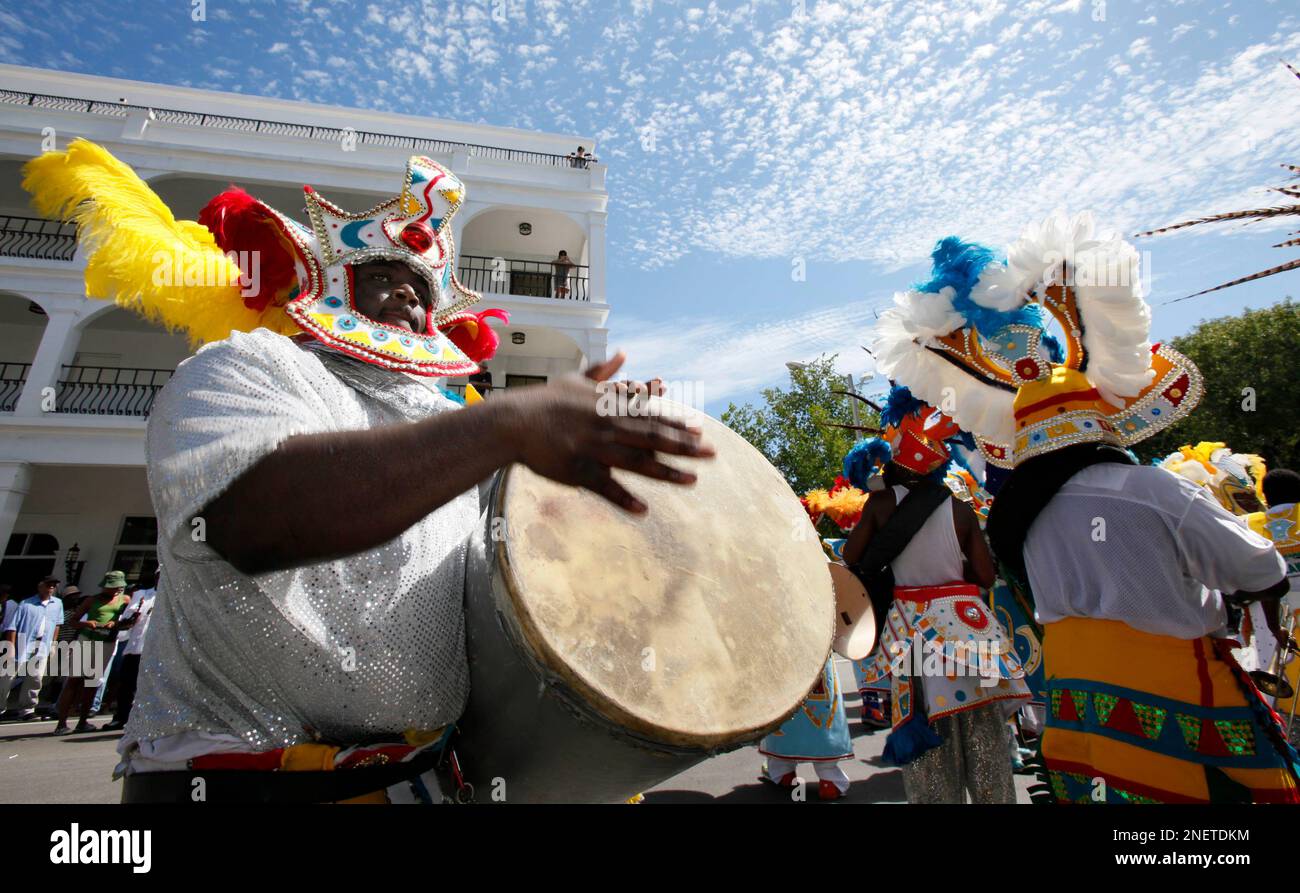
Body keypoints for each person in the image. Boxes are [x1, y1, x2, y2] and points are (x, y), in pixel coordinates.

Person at [24, 140, 711, 801]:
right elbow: (249, 518)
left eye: (420, 292)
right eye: (382, 278)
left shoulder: (454, 441)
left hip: (423, 779)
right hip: (231, 782)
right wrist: (503, 424)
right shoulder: (248, 366)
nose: (408, 300)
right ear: (330, 281)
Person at [875, 210, 1298, 803]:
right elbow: (1258, 568)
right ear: (1104, 416)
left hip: (1078, 711)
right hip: (1180, 703)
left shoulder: (1022, 519)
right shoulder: (1156, 490)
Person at [842, 387, 1029, 803]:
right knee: (983, 731)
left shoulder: (879, 503)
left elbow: (852, 556)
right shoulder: (959, 508)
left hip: (912, 626)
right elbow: (985, 573)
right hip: (969, 622)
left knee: (924, 724)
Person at [54, 571, 129, 735]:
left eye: (119, 587)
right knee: (74, 681)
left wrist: (115, 623)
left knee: (92, 682)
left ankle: (83, 721)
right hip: (87, 641)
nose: (116, 590)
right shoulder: (92, 600)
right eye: (113, 587)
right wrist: (88, 623)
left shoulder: (125, 600)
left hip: (107, 643)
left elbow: (128, 622)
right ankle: (61, 723)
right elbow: (73, 621)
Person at [102, 569, 159, 731]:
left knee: (151, 686)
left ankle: (147, 719)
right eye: (159, 575)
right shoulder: (141, 594)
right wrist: (131, 619)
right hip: (135, 646)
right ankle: (121, 717)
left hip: (157, 649)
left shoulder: (174, 595)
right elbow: (125, 622)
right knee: (127, 684)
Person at [0, 576, 64, 719]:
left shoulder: (57, 604)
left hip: (43, 644)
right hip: (24, 642)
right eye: (48, 585)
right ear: (40, 586)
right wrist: (11, 646)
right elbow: (12, 627)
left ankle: (27, 709)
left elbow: (57, 624)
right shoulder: (26, 604)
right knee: (8, 676)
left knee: (35, 678)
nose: (51, 588)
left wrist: (53, 643)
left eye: (54, 585)